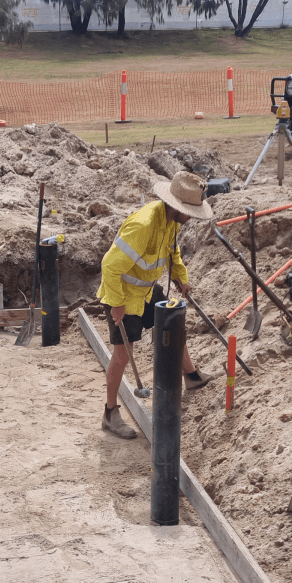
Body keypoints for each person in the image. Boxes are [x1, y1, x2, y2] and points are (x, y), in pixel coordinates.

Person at [98, 170, 215, 439]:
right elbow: (109, 266)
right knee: (122, 355)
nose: (191, 217)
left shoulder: (171, 221)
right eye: (190, 211)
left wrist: (180, 278)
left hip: (148, 290)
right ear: (176, 206)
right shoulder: (143, 226)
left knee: (173, 322)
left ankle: (192, 376)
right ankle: (110, 413)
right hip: (124, 294)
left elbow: (172, 252)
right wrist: (116, 304)